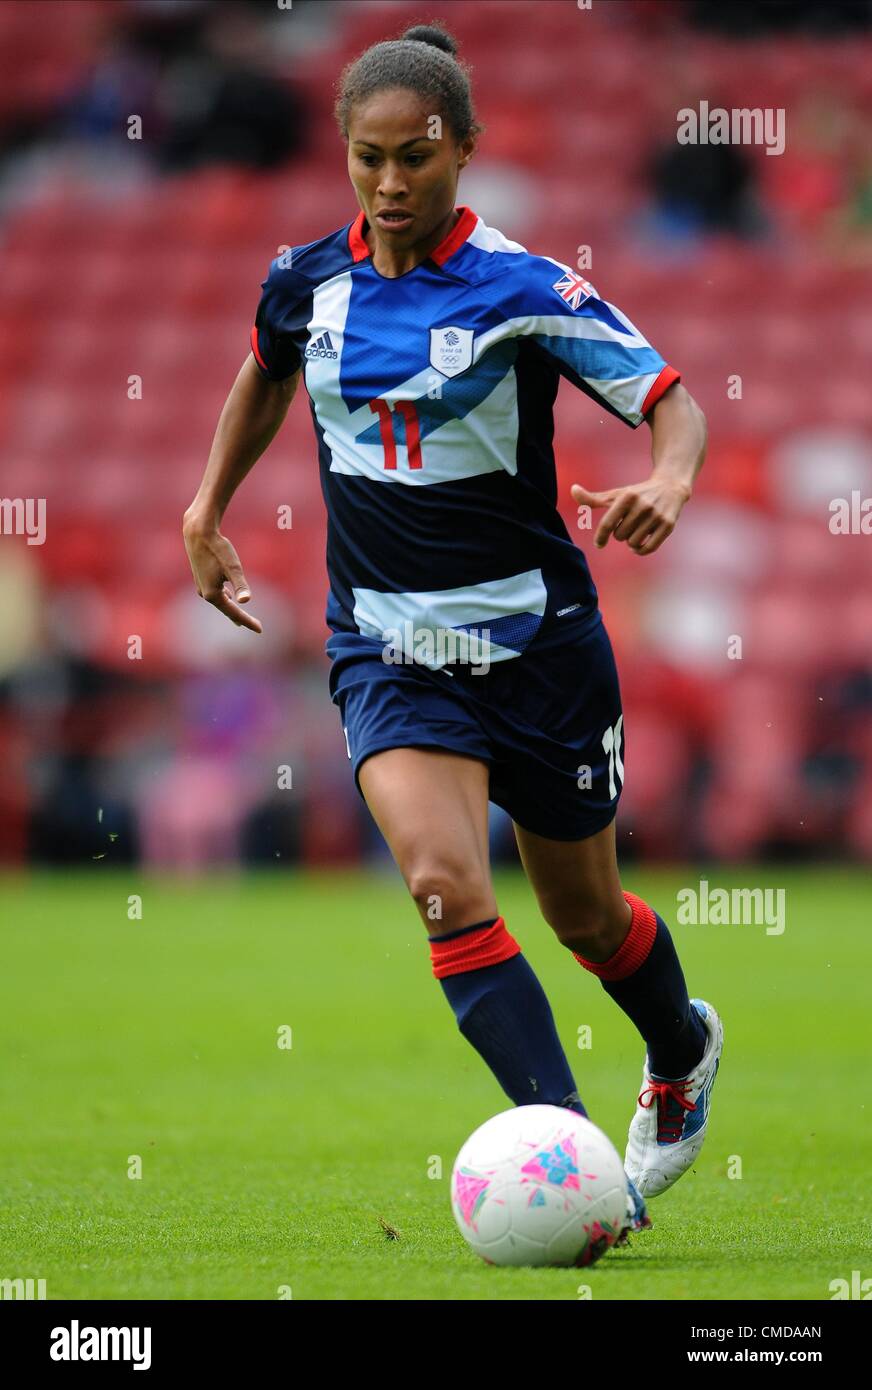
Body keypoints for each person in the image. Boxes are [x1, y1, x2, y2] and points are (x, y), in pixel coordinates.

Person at [183, 22, 722, 1246]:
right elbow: (264, 371)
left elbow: (671, 402)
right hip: (388, 650)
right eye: (366, 159)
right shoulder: (304, 280)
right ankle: (574, 1155)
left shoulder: (525, 290)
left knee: (585, 918)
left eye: (414, 158)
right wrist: (207, 505)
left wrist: (669, 482)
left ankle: (680, 1050)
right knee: (439, 884)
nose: (387, 185)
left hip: (537, 646)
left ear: (463, 150)